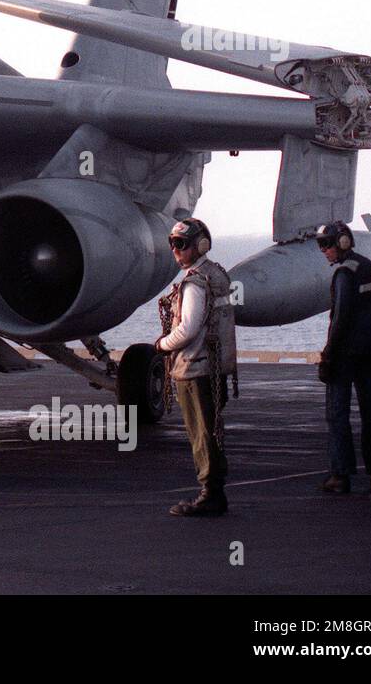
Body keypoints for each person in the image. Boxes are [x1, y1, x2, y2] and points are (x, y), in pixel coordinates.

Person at [155, 217, 237, 517]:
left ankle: (210, 493)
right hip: (213, 369)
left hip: (195, 368)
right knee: (212, 429)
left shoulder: (195, 282)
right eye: (173, 244)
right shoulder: (216, 274)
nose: (176, 251)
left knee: (202, 433)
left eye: (182, 245)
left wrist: (161, 345)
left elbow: (188, 329)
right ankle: (214, 489)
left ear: (200, 246)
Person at [314, 221, 371, 494]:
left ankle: (339, 475)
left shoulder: (345, 273)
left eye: (326, 244)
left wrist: (327, 355)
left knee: (337, 413)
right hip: (369, 353)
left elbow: (340, 318)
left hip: (346, 354)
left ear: (343, 242)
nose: (323, 250)